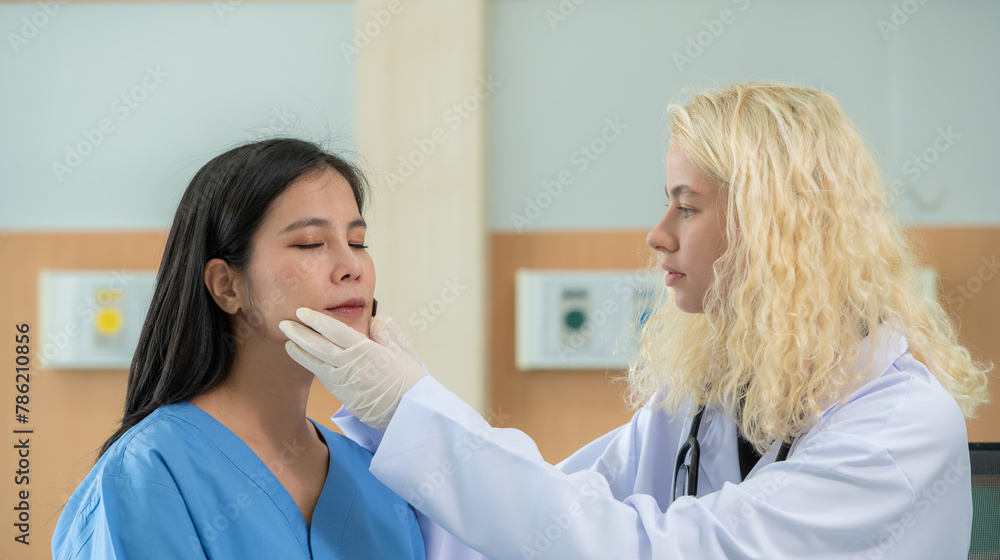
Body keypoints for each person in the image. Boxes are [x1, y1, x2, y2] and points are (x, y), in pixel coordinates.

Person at [280, 83, 992, 559]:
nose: (658, 234)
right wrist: (399, 418)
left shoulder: (897, 433)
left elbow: (647, 549)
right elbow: (545, 518)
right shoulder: (710, 401)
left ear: (773, 227)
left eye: (687, 206)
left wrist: (414, 410)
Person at [52, 138, 425, 559]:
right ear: (227, 286)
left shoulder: (380, 480)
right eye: (309, 243)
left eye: (358, 242)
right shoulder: (149, 473)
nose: (352, 267)